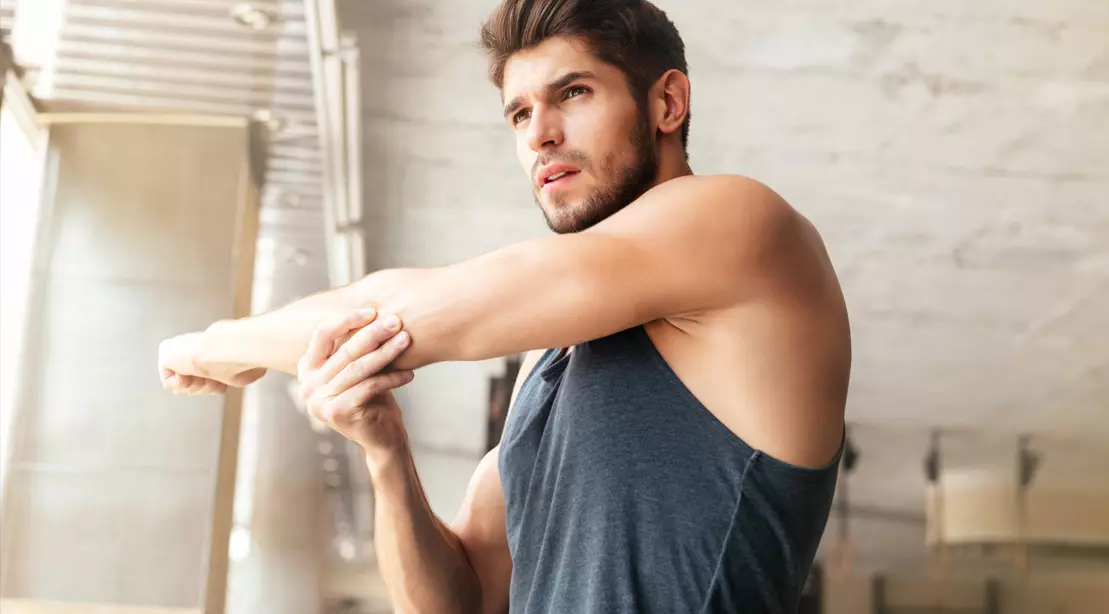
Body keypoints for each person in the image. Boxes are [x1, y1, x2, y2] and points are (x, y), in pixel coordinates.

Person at [158, 0, 852, 611]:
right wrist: (386, 454)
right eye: (519, 113)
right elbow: (462, 602)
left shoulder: (737, 223)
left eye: (571, 92)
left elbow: (388, 316)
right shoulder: (550, 359)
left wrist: (213, 345)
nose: (538, 134)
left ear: (667, 103)